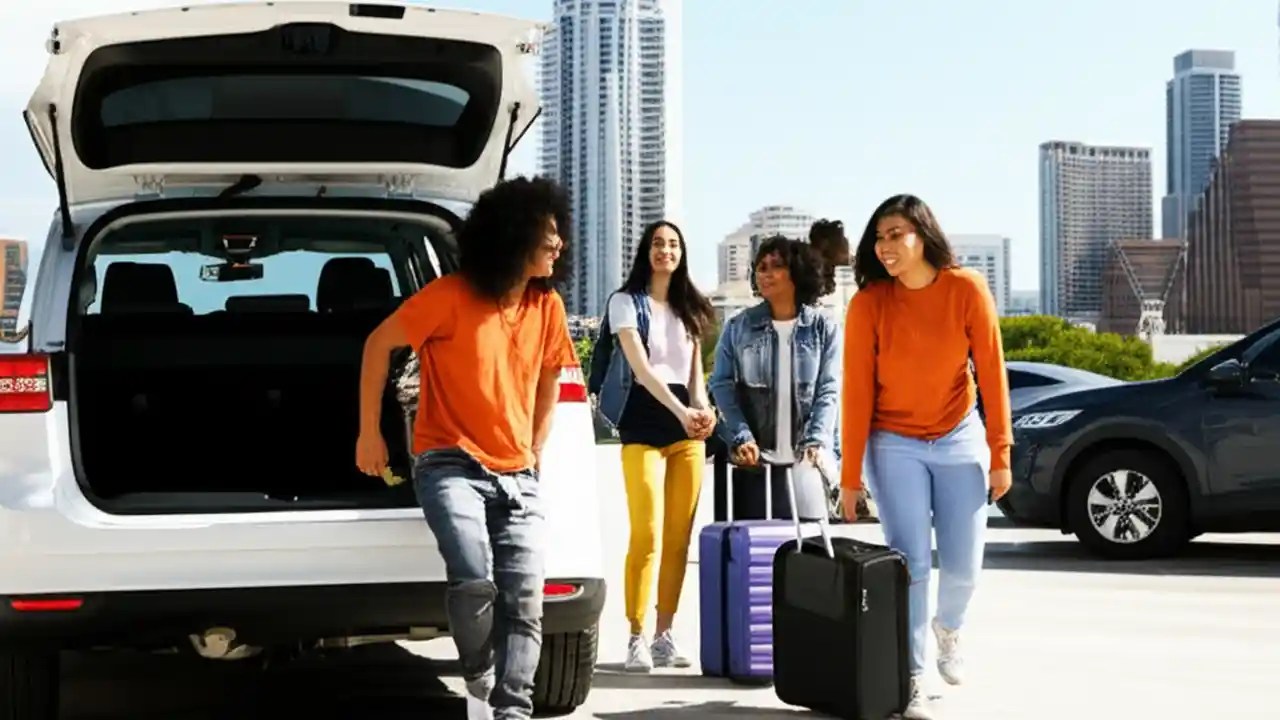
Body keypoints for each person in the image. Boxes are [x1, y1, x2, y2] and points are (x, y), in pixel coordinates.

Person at [354, 176, 578, 720]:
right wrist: (370, 431)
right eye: (547, 234)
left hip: (518, 471)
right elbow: (377, 344)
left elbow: (553, 374)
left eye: (559, 235)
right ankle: (478, 674)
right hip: (448, 461)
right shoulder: (449, 296)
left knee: (526, 599)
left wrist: (537, 440)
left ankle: (511, 710)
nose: (558, 245)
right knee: (474, 573)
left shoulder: (547, 305)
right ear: (513, 236)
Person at [840, 194, 1013, 720]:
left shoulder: (966, 289)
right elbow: (856, 393)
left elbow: (991, 370)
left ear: (923, 233)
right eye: (879, 237)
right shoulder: (868, 303)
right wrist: (850, 477)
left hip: (959, 436)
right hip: (894, 443)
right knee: (910, 563)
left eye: (896, 234)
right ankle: (911, 677)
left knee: (963, 566)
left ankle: (949, 628)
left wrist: (999, 451)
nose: (885, 246)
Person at [596, 220, 716, 673]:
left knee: (679, 537)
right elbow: (642, 370)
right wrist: (681, 412)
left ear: (682, 253)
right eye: (658, 244)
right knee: (645, 533)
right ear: (646, 252)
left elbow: (693, 373)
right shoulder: (626, 303)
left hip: (687, 428)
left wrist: (701, 410)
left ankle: (665, 634)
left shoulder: (690, 308)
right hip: (643, 423)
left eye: (673, 244)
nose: (666, 250)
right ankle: (635, 635)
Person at [708, 235, 840, 522]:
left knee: (807, 556)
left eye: (776, 266)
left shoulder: (823, 329)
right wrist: (742, 436)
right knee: (756, 556)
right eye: (761, 267)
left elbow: (829, 390)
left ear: (797, 271)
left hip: (806, 462)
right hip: (756, 462)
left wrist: (816, 441)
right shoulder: (739, 327)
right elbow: (721, 385)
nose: (766, 273)